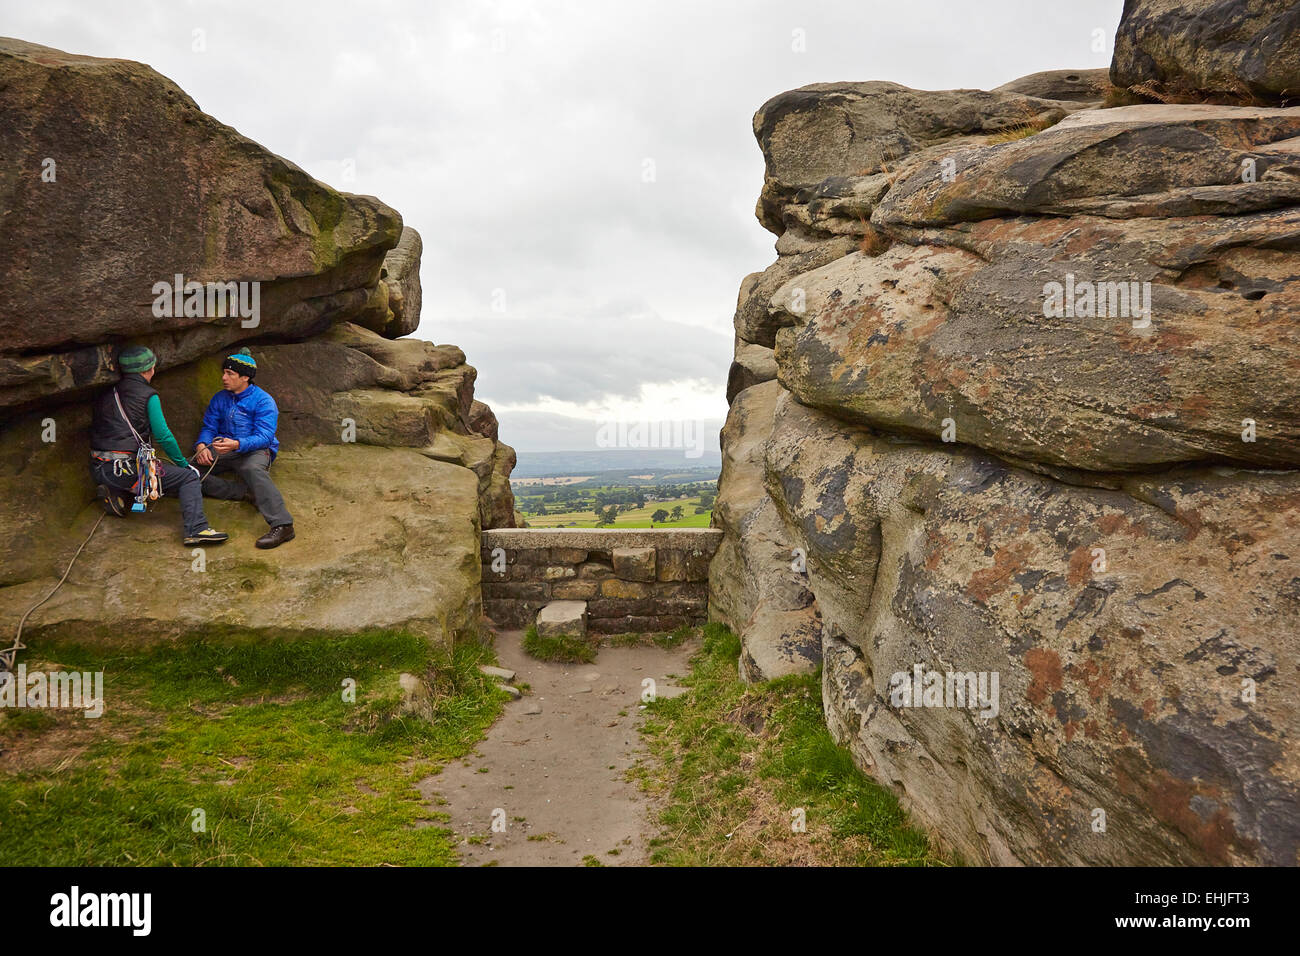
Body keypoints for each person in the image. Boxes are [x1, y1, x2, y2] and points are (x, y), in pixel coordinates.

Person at [89, 346, 229, 546]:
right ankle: (196, 529)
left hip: (99, 467)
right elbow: (164, 436)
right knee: (188, 477)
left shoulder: (106, 394)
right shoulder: (148, 395)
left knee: (149, 476)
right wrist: (182, 463)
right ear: (150, 368)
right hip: (129, 469)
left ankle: (115, 492)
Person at [193, 348, 295, 549]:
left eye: (229, 373)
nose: (223, 377)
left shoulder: (264, 400)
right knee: (187, 472)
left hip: (255, 450)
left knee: (252, 469)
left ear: (245, 377)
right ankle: (242, 492)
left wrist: (238, 444)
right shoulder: (220, 398)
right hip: (223, 448)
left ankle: (283, 525)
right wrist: (202, 445)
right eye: (224, 372)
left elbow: (265, 437)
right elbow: (209, 426)